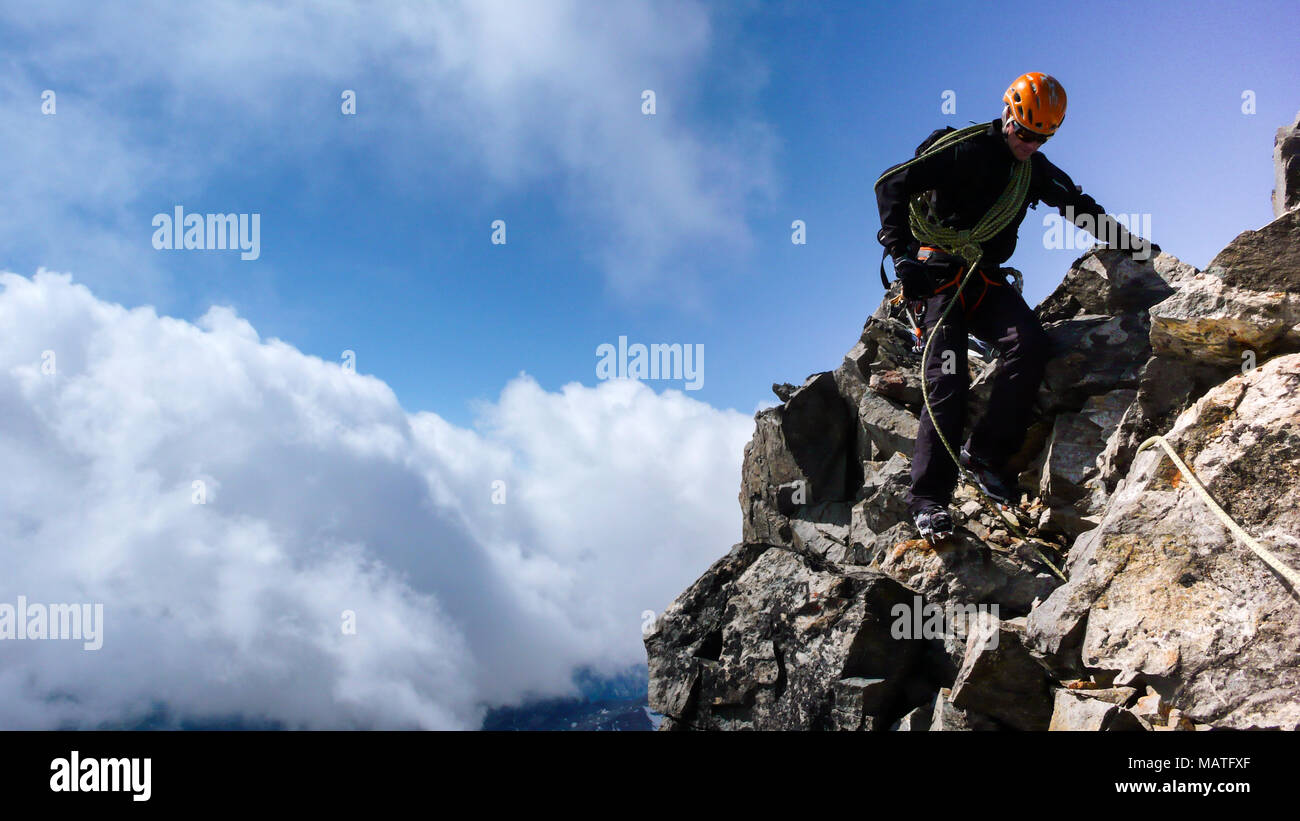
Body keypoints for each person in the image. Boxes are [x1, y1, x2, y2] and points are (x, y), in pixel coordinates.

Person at [874, 72, 1154, 543]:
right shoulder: (961, 147)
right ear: (1008, 114)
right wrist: (901, 253)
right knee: (947, 378)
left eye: (1041, 137)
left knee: (1029, 344)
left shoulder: (1034, 170)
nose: (1029, 143)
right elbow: (891, 185)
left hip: (982, 277)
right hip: (937, 272)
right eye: (1023, 132)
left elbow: (1077, 205)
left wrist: (1132, 245)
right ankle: (928, 502)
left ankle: (983, 454)